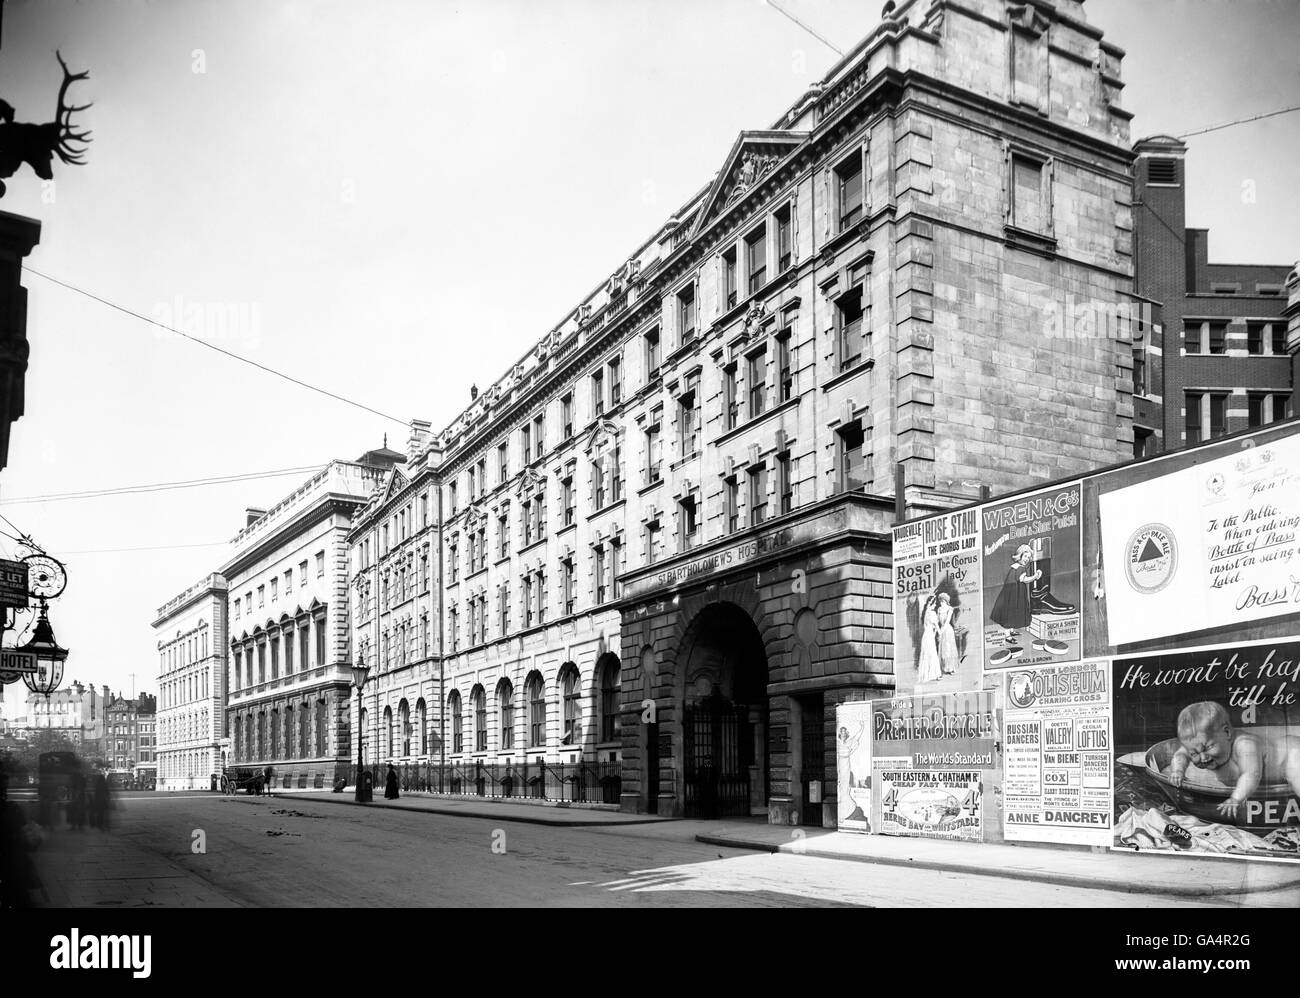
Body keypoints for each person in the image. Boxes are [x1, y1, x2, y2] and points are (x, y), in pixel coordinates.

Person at [1168, 701, 1300, 818]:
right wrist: (1177, 771)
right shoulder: (1198, 744)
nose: (1203, 757)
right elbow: (1180, 755)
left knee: (1296, 774)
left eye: (1209, 747)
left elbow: (1251, 774)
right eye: (1194, 754)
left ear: (1227, 733)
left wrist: (1235, 799)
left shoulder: (1244, 744)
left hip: (1290, 753)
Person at [989, 544, 1040, 634]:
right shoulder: (1020, 568)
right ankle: (1007, 635)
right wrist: (1035, 576)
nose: (1026, 559)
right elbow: (1025, 580)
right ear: (1019, 556)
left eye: (1028, 557)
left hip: (1011, 594)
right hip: (1015, 595)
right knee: (1011, 613)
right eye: (1025, 556)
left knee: (1012, 613)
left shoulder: (1014, 567)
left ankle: (1011, 631)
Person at [916, 595, 942, 684]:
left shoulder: (925, 612)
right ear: (931, 603)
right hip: (929, 635)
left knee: (926, 654)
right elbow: (936, 626)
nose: (935, 605)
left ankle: (927, 675)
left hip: (926, 635)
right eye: (934, 603)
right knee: (932, 653)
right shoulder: (932, 613)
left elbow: (926, 626)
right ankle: (935, 675)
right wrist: (941, 633)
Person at [936, 592, 960, 676]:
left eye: (943, 601)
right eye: (940, 601)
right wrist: (937, 629)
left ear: (946, 601)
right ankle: (944, 667)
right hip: (941, 630)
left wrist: (941, 632)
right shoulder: (939, 609)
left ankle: (951, 668)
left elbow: (946, 622)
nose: (941, 603)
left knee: (949, 649)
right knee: (943, 650)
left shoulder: (949, 609)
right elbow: (937, 621)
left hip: (947, 630)